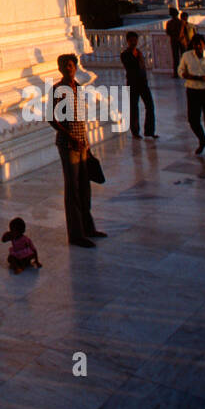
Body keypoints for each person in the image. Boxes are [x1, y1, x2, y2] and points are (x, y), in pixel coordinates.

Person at [49, 54, 106, 249]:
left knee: (84, 187)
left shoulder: (78, 88)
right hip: (67, 145)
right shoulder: (57, 90)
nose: (68, 69)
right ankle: (75, 234)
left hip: (82, 143)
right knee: (72, 189)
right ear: (60, 68)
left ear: (76, 67)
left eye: (71, 65)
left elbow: (81, 118)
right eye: (64, 66)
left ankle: (88, 228)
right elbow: (52, 118)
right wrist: (71, 136)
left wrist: (86, 143)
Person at [179, 34, 205, 160]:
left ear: (204, 44)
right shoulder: (186, 56)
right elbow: (180, 70)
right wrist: (184, 75)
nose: (198, 46)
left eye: (200, 44)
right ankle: (203, 140)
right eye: (195, 44)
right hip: (193, 91)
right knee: (193, 120)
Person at [119, 31, 158, 139]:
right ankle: (135, 131)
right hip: (132, 84)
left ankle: (149, 131)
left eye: (135, 40)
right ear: (127, 41)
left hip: (143, 83)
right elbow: (130, 67)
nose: (133, 42)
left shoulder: (139, 52)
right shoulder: (125, 54)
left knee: (150, 106)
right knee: (134, 108)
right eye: (131, 40)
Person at [165, 7, 183, 78]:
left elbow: (168, 32)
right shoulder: (181, 22)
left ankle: (177, 73)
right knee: (181, 57)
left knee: (176, 58)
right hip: (180, 41)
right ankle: (181, 72)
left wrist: (173, 35)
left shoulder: (169, 23)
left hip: (174, 41)